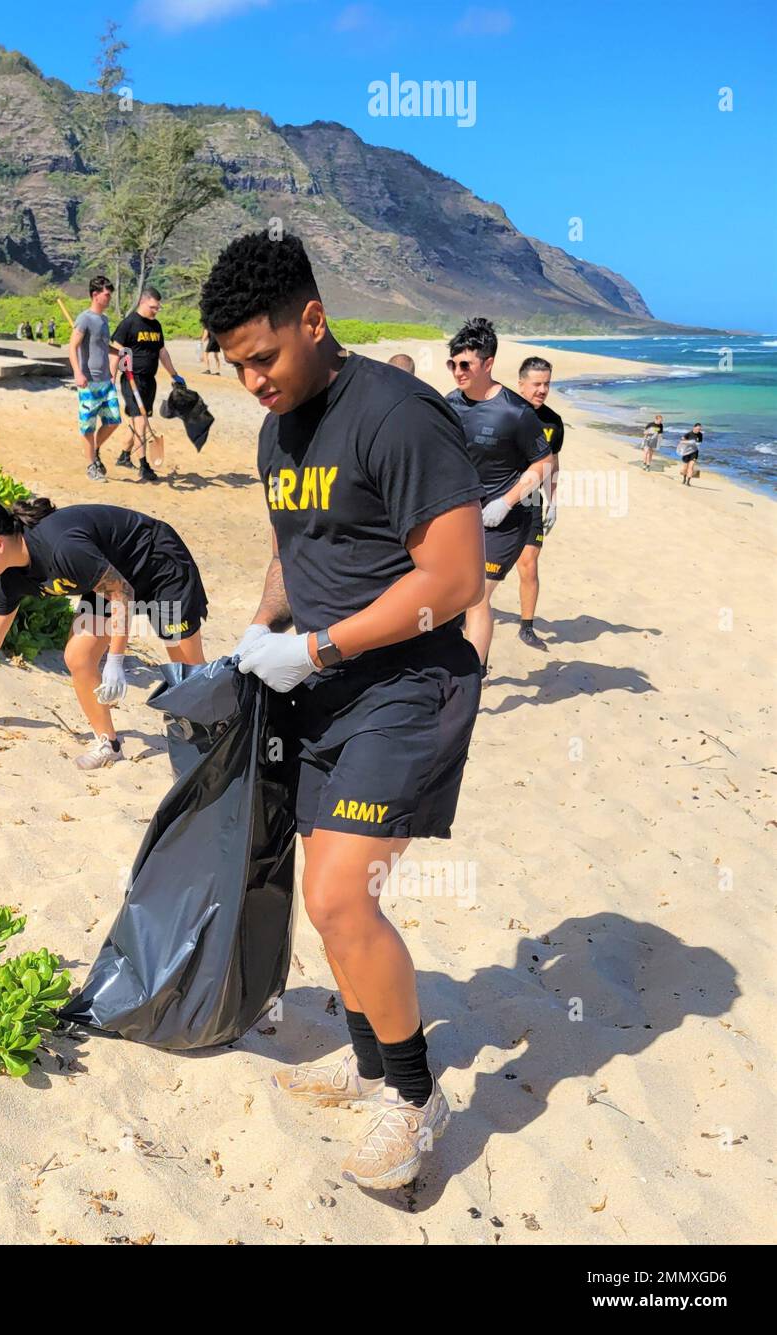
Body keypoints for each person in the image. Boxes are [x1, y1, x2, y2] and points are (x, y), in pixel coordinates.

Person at [200, 230, 485, 1191]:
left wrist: (317, 646)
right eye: (235, 366)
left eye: (263, 357)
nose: (252, 381)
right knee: (333, 902)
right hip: (320, 687)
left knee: (336, 893)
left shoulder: (400, 417)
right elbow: (300, 545)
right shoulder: (276, 428)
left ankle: (414, 1101)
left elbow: (452, 578)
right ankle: (372, 1073)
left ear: (314, 319)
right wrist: (258, 629)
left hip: (409, 684)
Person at [0, 498, 208, 770]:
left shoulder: (63, 548)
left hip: (157, 564)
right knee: (79, 656)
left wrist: (116, 661)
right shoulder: (9, 578)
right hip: (107, 578)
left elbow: (123, 594)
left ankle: (213, 736)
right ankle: (108, 745)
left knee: (186, 668)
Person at [444, 318, 553, 672]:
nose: (458, 372)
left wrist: (506, 502)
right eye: (453, 364)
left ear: (488, 364)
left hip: (506, 522)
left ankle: (472, 675)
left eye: (466, 365)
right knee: (455, 597)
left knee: (477, 597)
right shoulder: (450, 405)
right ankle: (476, 662)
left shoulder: (515, 412)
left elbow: (544, 463)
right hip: (461, 515)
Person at [513, 356, 564, 652]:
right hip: (497, 497)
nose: (542, 390)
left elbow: (552, 464)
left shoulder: (553, 422)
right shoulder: (505, 411)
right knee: (484, 570)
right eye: (536, 384)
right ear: (521, 385)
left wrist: (553, 501)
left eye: (547, 384)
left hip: (532, 500)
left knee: (529, 564)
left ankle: (527, 627)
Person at [111, 285, 186, 483]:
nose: (156, 311)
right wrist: (115, 372)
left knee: (138, 421)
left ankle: (124, 456)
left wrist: (174, 375)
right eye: (153, 307)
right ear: (143, 302)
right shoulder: (129, 324)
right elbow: (115, 349)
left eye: (158, 308)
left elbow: (162, 352)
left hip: (149, 381)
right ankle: (144, 466)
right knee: (141, 421)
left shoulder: (156, 326)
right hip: (131, 379)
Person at [68, 277, 122, 483]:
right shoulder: (84, 319)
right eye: (107, 294)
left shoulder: (104, 320)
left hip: (106, 380)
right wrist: (77, 373)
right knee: (88, 426)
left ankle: (95, 450)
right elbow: (72, 346)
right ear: (95, 295)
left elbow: (102, 346)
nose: (109, 298)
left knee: (114, 421)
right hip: (88, 381)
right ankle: (91, 465)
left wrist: (119, 351)